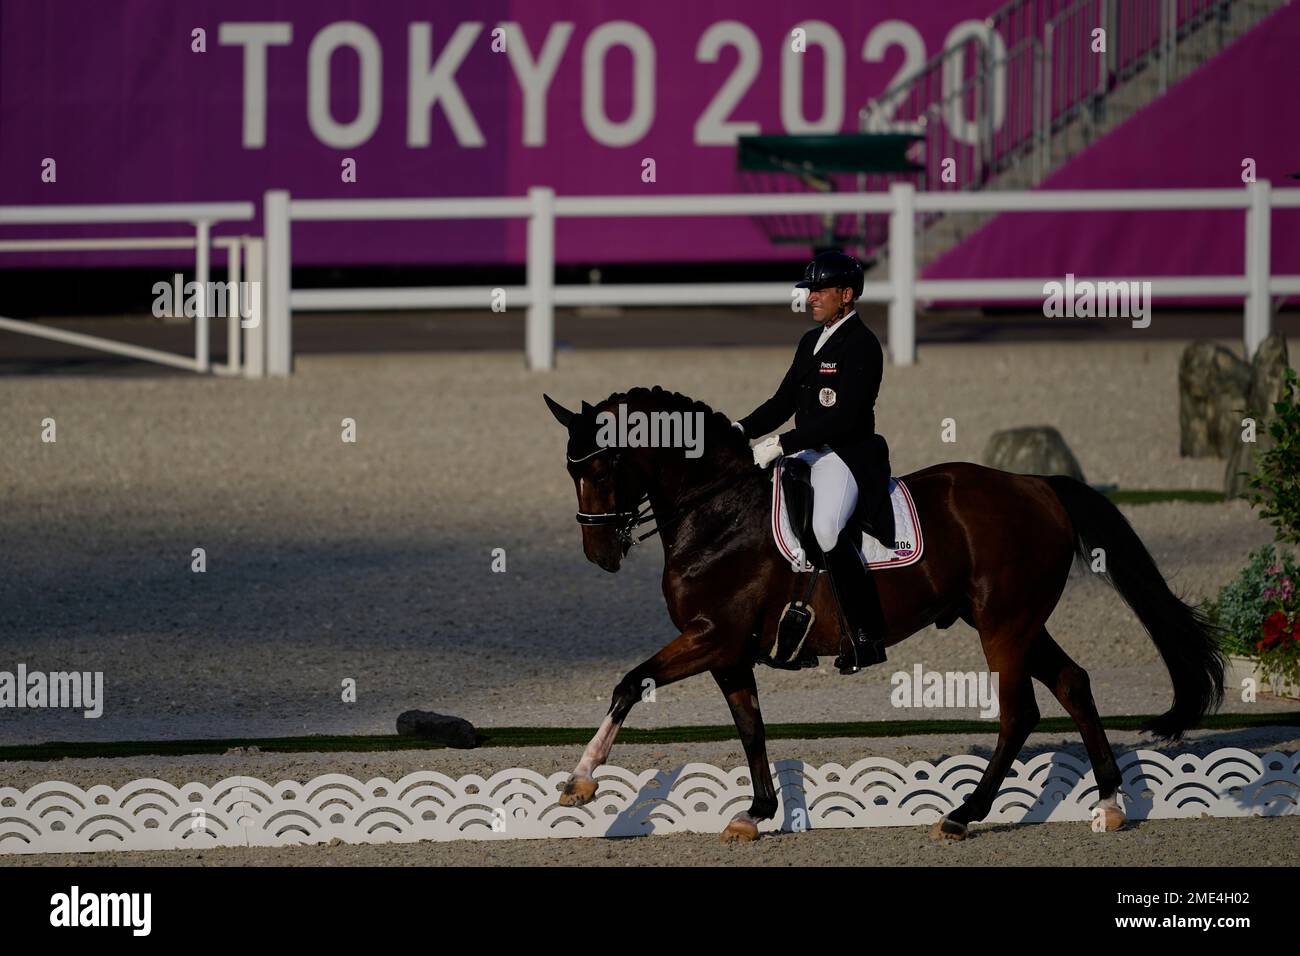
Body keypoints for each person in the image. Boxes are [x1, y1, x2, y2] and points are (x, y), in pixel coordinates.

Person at [733, 250, 888, 673]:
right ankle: (786, 626)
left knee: (825, 527)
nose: (810, 297)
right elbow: (783, 401)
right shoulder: (809, 342)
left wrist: (781, 443)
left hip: (845, 454)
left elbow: (844, 418)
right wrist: (740, 429)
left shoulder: (863, 345)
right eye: (810, 290)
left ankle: (866, 636)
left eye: (819, 290)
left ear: (847, 295)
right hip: (807, 450)